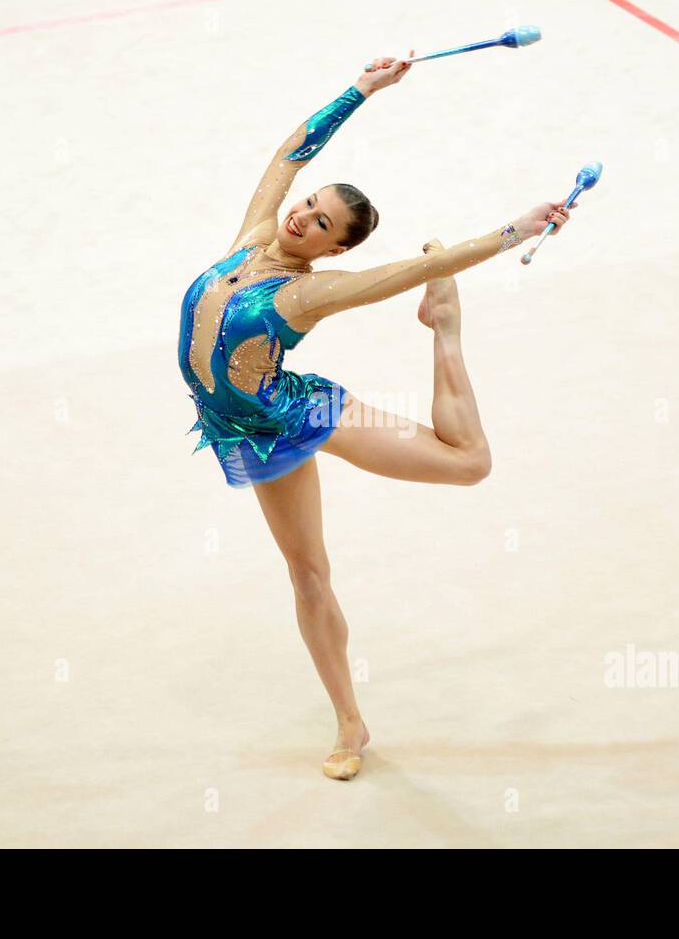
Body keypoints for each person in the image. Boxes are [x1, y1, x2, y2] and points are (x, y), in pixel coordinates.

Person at [177, 53, 574, 780]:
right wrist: (362, 88)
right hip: (247, 434)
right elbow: (288, 153)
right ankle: (351, 725)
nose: (302, 215)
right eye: (309, 205)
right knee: (306, 575)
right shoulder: (252, 235)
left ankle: (446, 330)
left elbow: (409, 270)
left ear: (332, 248)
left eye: (320, 222)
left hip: (296, 414)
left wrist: (516, 229)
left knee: (468, 464)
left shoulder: (307, 294)